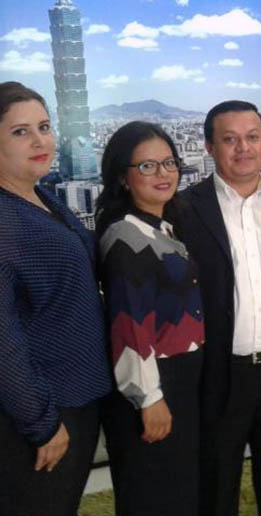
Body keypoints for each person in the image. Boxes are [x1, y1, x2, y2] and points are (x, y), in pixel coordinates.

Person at [174, 100, 261, 516]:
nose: (243, 149)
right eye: (230, 140)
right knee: (214, 490)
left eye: (252, 138)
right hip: (217, 375)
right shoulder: (183, 209)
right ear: (210, 147)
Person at [0, 81, 112, 515]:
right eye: (20, 131)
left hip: (74, 400)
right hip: (40, 413)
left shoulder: (39, 196)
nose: (40, 140)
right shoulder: (7, 220)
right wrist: (41, 423)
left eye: (44, 127)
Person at [95, 121, 205, 515]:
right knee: (154, 495)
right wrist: (149, 398)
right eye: (147, 166)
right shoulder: (127, 238)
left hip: (178, 380)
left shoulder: (161, 225)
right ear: (122, 178)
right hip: (154, 383)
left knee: (178, 491)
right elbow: (130, 326)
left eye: (169, 162)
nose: (163, 173)